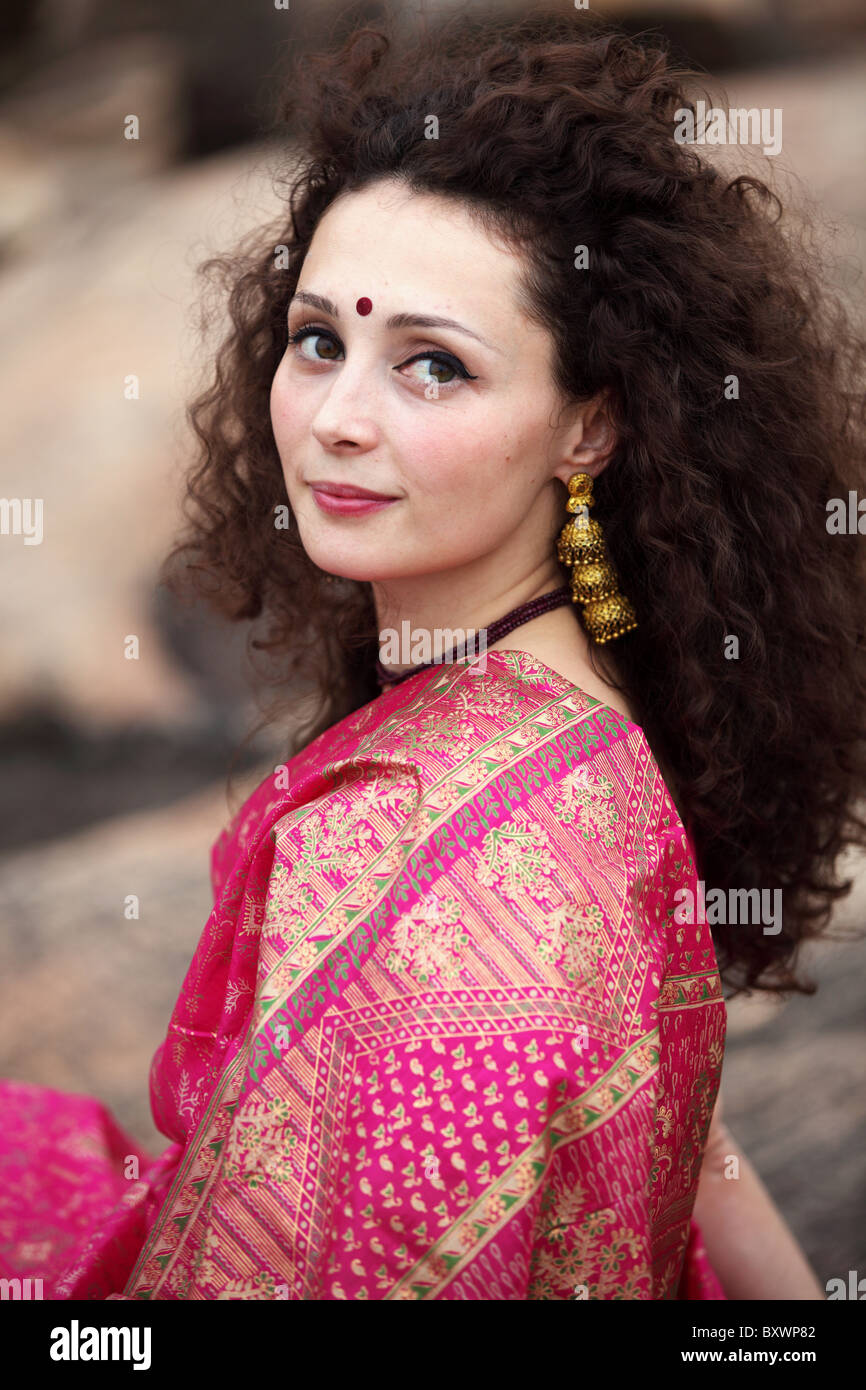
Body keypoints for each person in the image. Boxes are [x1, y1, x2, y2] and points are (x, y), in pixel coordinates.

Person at [1, 5, 862, 1301]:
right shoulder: (578, 710)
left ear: (587, 429)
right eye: (316, 341)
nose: (336, 419)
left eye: (433, 368)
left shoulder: (419, 854)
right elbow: (702, 1150)